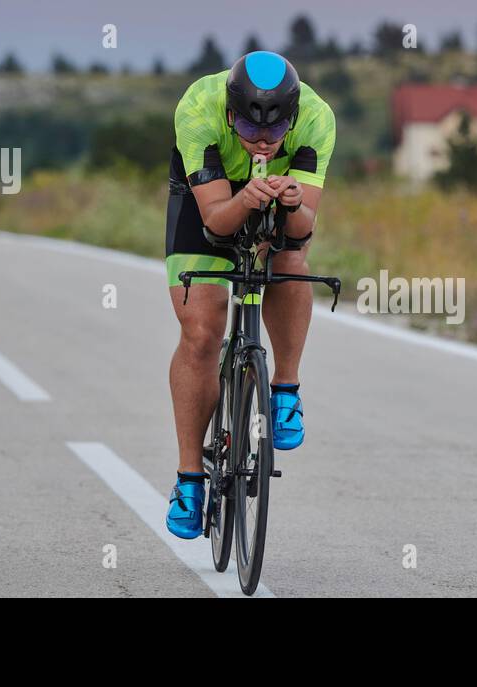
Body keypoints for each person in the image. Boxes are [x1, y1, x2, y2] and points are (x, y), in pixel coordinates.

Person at [164, 51, 335, 539]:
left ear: (293, 117)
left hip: (276, 197)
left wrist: (294, 201)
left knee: (291, 260)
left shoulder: (318, 119)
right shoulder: (198, 106)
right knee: (201, 331)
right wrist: (244, 198)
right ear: (230, 111)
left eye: (274, 131)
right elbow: (217, 220)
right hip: (207, 202)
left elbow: (303, 229)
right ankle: (190, 480)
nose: (261, 141)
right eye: (247, 126)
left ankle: (285, 389)